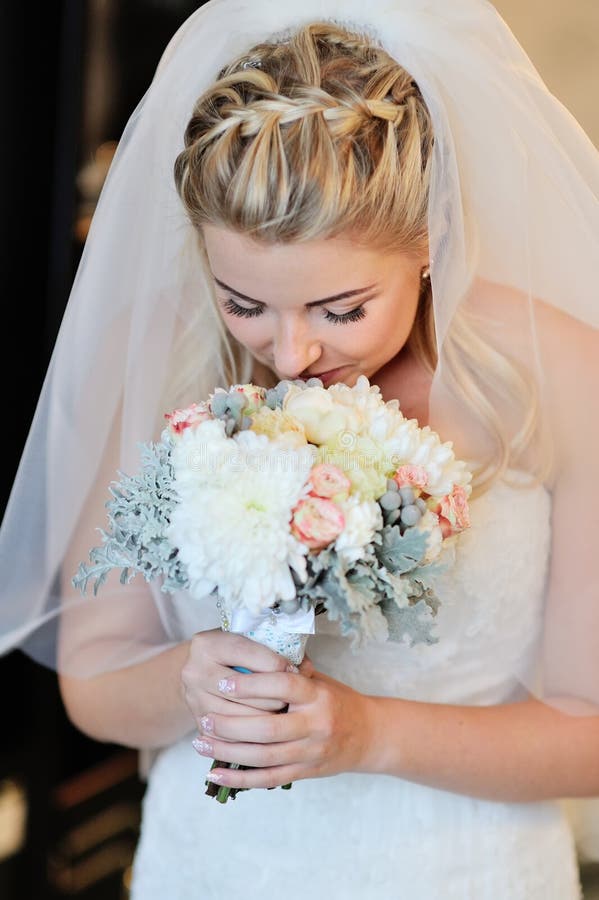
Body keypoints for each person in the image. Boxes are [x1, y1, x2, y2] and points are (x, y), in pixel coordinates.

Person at [0, 0, 598, 897]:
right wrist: (191, 681)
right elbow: (95, 682)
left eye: (340, 308)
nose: (289, 354)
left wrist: (366, 734)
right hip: (212, 867)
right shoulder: (158, 353)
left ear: (431, 236)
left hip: (466, 869)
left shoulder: (556, 374)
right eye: (242, 301)